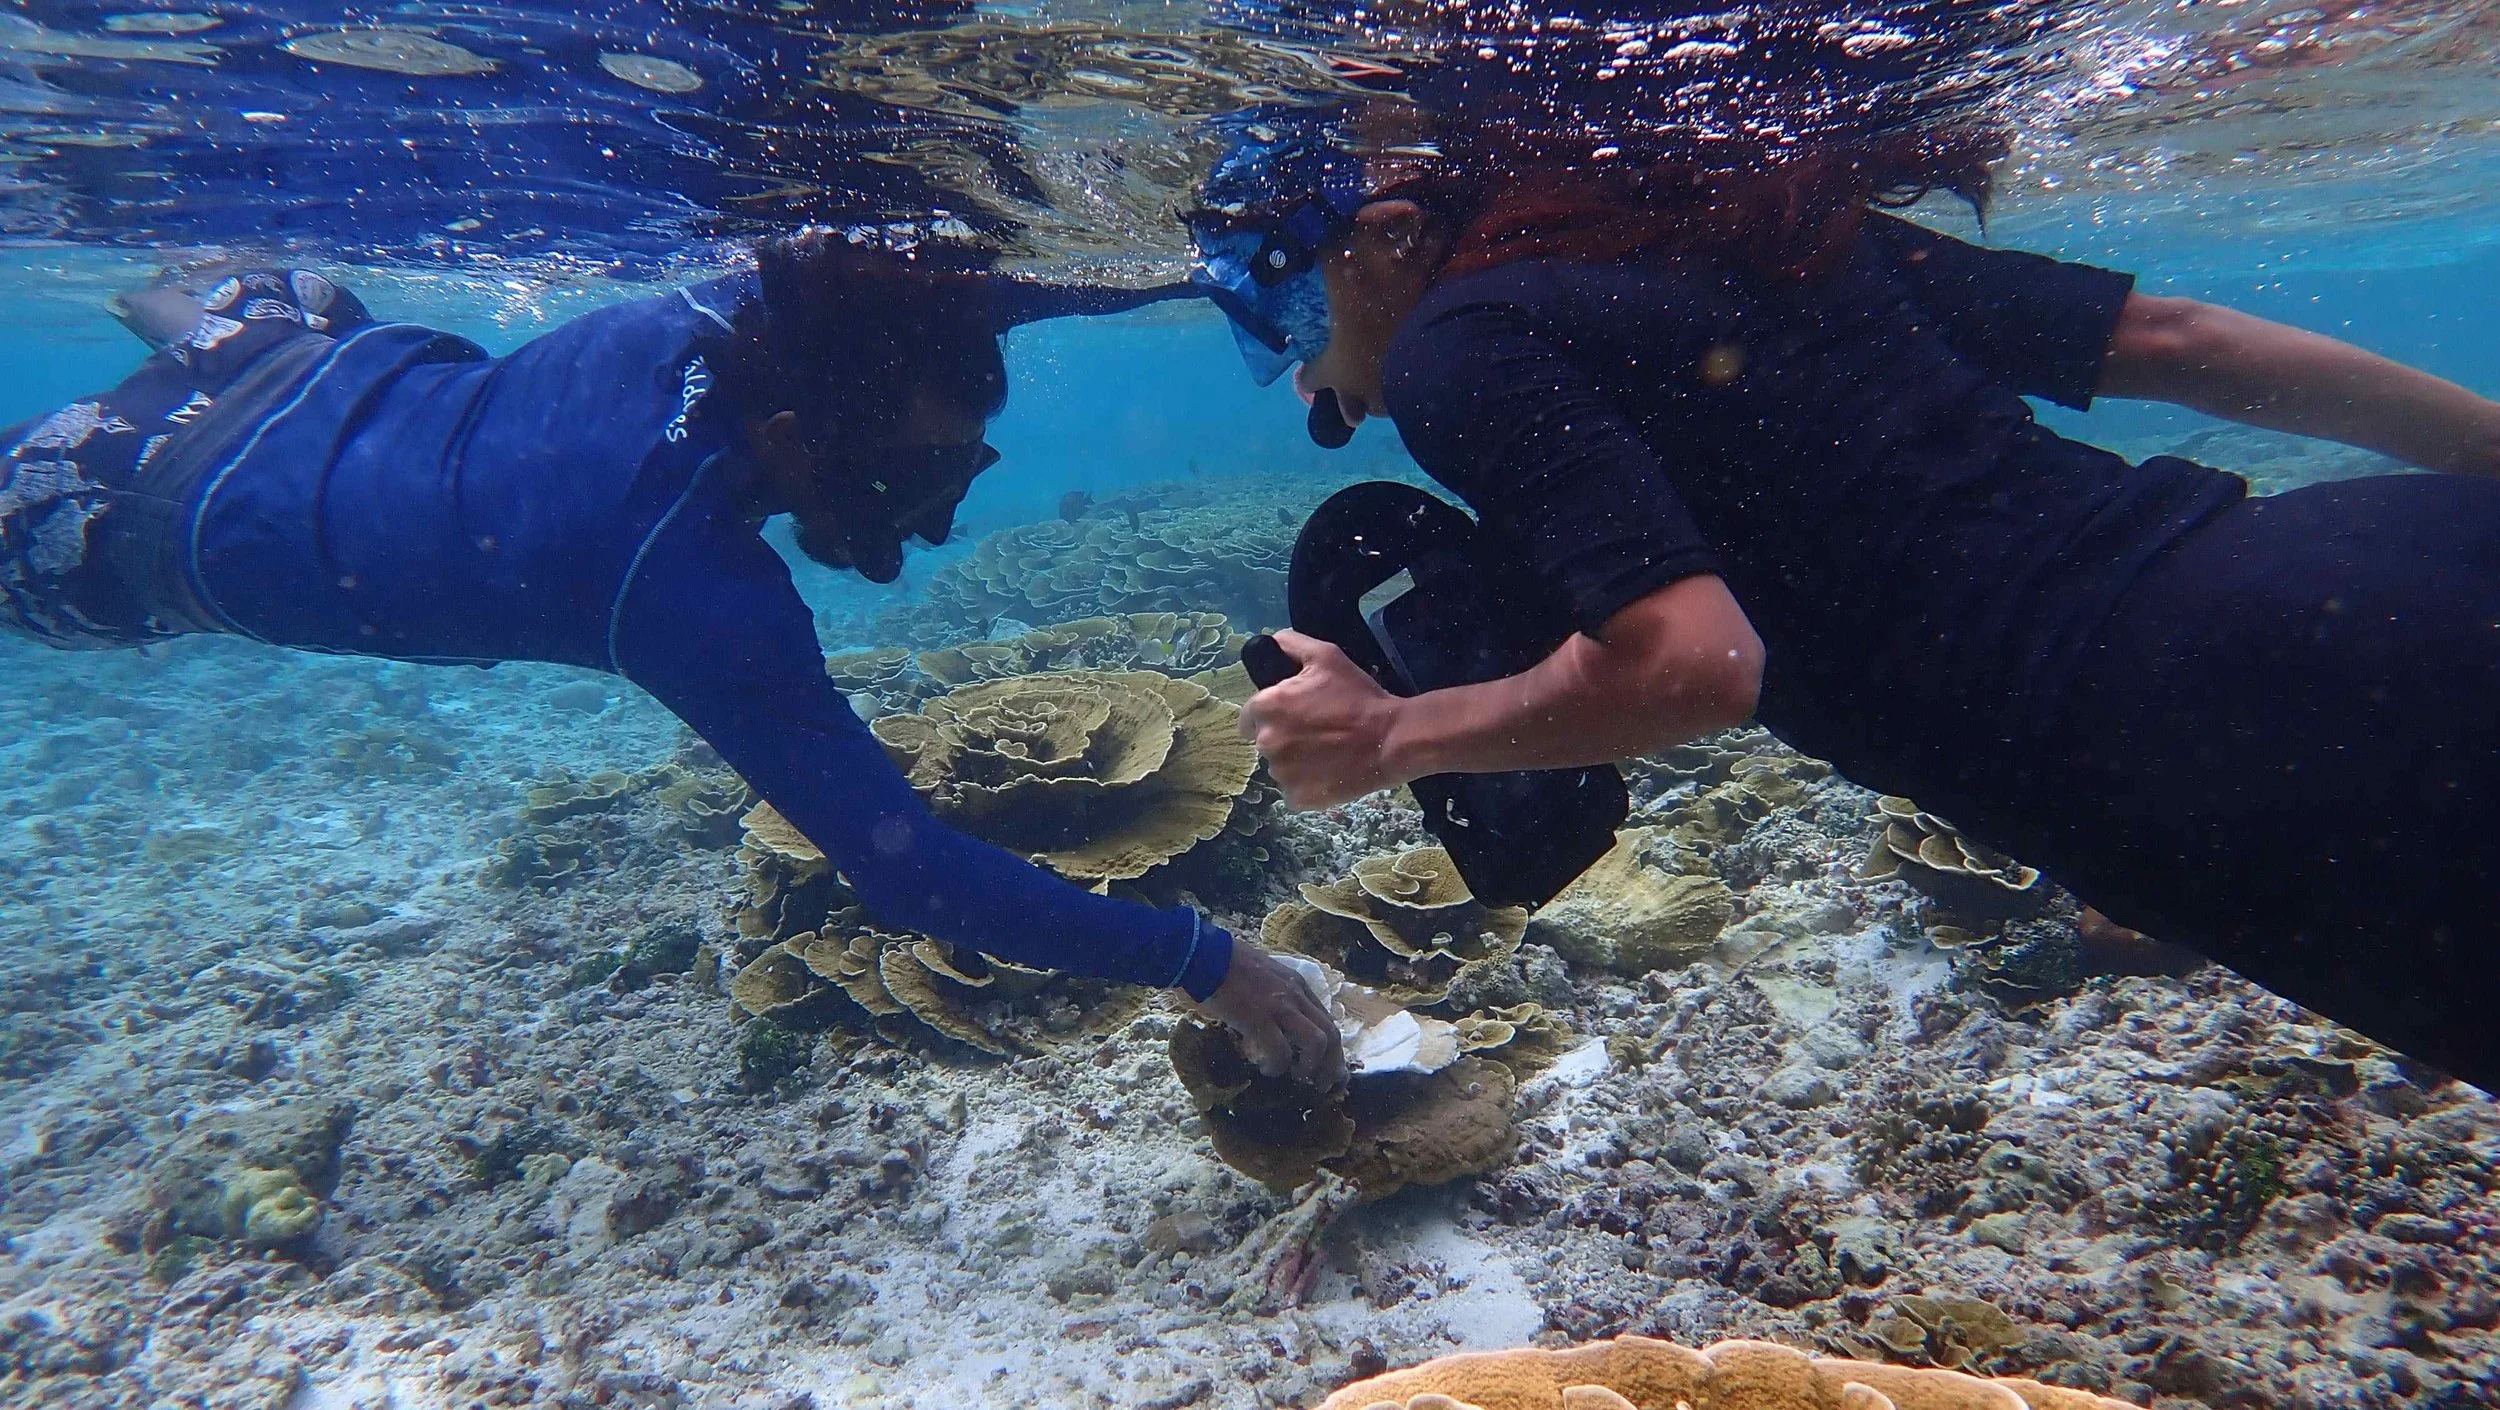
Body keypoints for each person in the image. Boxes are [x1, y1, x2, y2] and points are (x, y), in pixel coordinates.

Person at [1190, 120, 2500, 1091]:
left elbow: (1699, 664)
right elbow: (2181, 344)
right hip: (2340, 568)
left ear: (1388, 231)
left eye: (1275, 301)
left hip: (2206, 744)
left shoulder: (1455, 353)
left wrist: (1389, 738)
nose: (1297, 373)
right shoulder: (1709, 222)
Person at [0, 236, 1346, 1088]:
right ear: (789, 426)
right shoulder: (678, 572)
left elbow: (920, 283)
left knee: (222, 309)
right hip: (140, 508)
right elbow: (909, 867)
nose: (939, 510)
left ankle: (171, 310)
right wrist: (1203, 957)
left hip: (291, 343)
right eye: (927, 470)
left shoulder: (741, 309)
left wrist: (1196, 273)